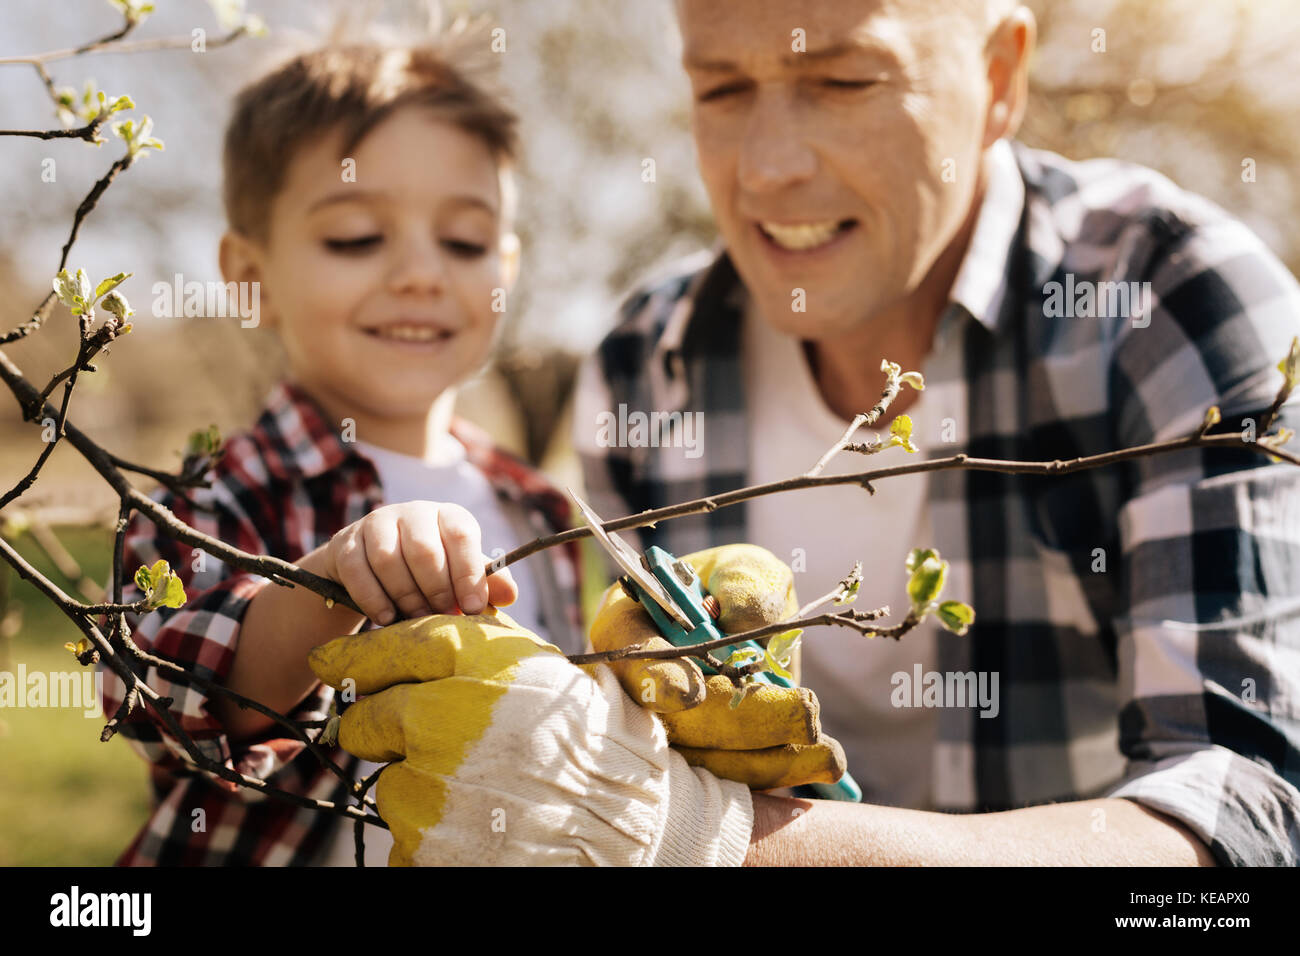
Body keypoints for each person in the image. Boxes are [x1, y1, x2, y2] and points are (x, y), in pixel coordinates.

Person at [309, 0, 1299, 866]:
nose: (768, 167)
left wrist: (696, 841)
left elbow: (1247, 819)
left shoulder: (1171, 307)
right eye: (722, 89)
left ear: (998, 78)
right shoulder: (646, 362)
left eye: (842, 79)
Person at [98, 25, 584, 866]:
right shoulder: (216, 494)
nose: (421, 273)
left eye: (465, 242)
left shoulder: (537, 506)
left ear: (505, 267)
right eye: (357, 236)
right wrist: (330, 584)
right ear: (252, 279)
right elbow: (159, 698)